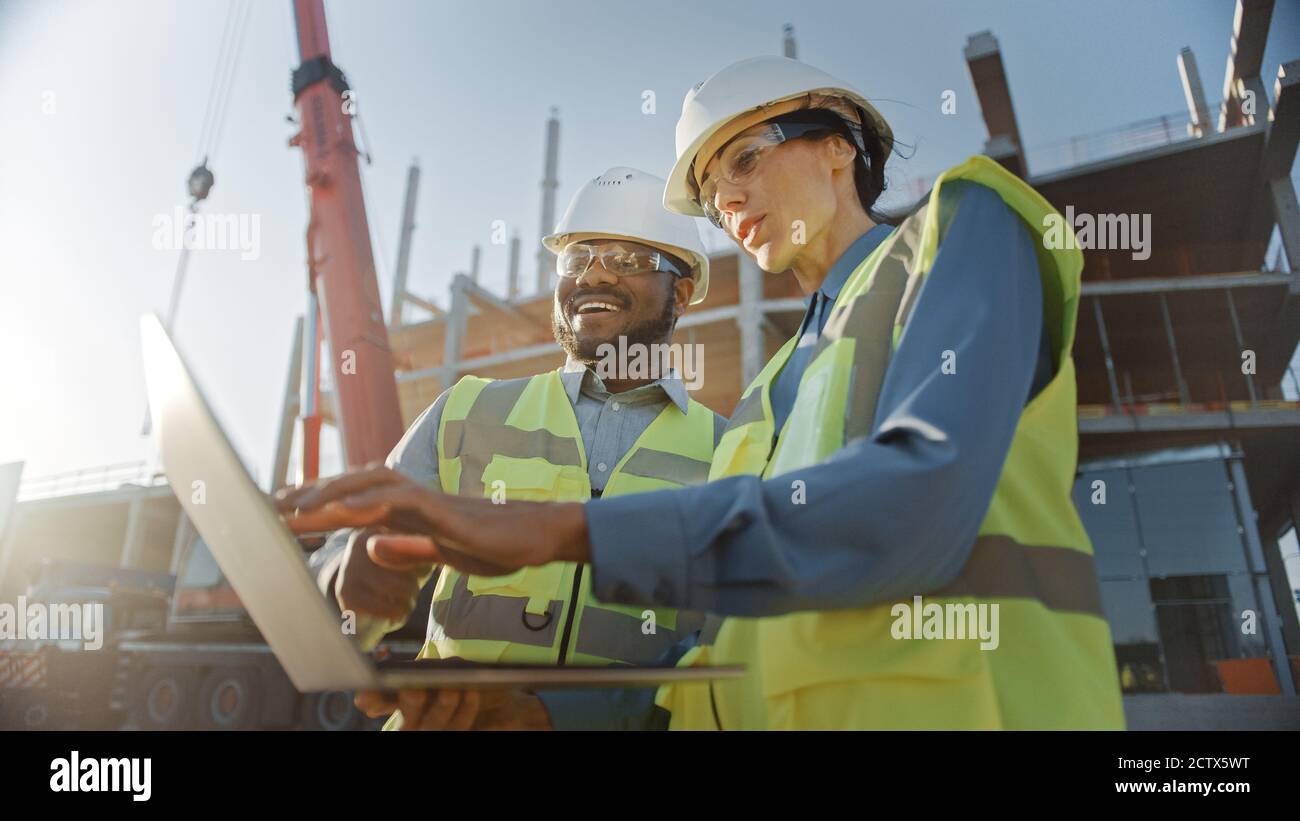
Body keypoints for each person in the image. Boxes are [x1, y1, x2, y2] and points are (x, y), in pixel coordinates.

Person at [279, 56, 1125, 730]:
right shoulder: (762, 403)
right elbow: (706, 657)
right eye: (715, 189)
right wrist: (536, 711)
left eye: (747, 158)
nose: (729, 197)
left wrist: (553, 526)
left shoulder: (962, 228)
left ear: (839, 145)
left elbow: (914, 505)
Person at [304, 167, 725, 729]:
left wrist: (559, 716)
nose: (594, 276)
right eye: (577, 260)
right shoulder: (467, 411)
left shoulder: (732, 450)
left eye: (627, 260)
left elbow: (722, 653)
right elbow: (347, 553)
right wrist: (346, 577)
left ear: (683, 290)